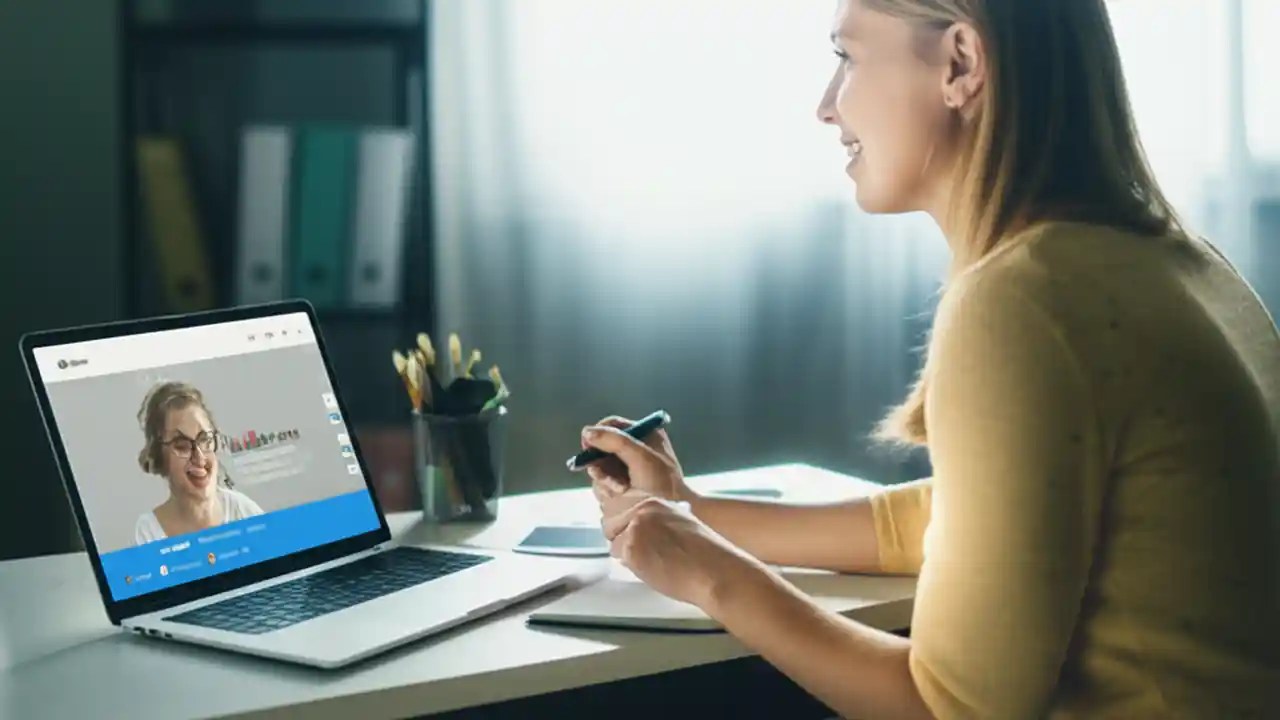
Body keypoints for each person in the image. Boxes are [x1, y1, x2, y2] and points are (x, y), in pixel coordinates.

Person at [582, 1, 1280, 718]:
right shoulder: (1181, 264)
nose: (826, 107)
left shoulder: (1026, 297)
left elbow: (952, 709)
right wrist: (695, 514)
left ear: (961, 64)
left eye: (847, 58)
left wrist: (714, 579)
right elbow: (976, 519)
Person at [134, 381, 263, 545]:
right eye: (181, 446)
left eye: (205, 440)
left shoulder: (242, 510)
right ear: (159, 457)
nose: (200, 458)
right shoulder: (148, 531)